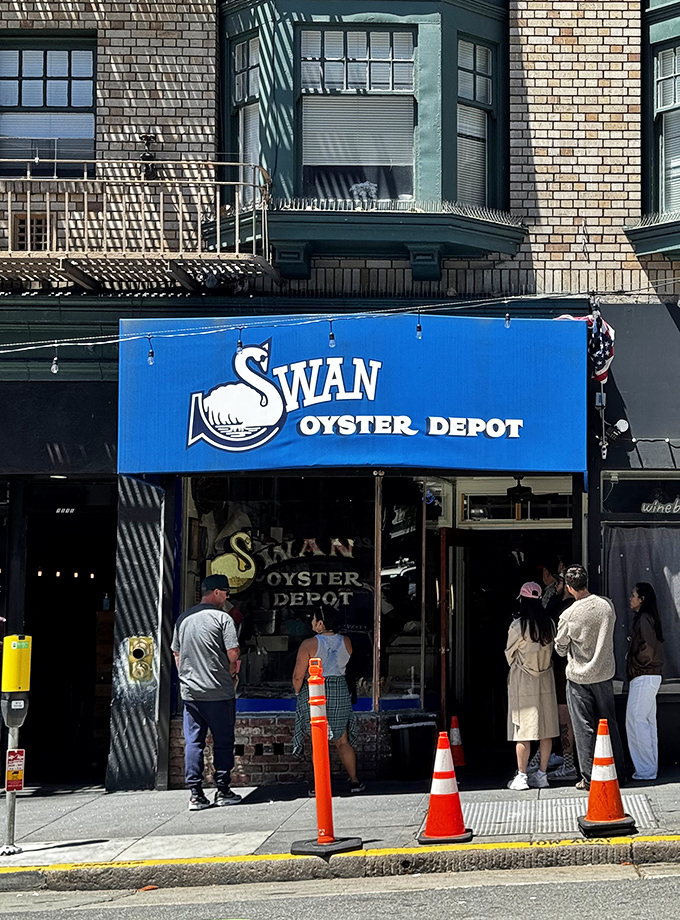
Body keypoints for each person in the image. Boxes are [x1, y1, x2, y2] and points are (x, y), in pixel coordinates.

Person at [172, 574, 242, 810]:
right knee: (223, 741)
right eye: (226, 593)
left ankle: (195, 794)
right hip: (218, 691)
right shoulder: (223, 619)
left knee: (194, 742)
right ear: (216, 593)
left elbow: (176, 654)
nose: (227, 597)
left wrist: (186, 677)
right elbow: (233, 653)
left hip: (191, 693)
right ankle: (222, 790)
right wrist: (231, 673)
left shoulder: (184, 618)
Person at [555, 564, 625, 789]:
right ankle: (619, 773)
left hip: (578, 677)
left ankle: (589, 777)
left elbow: (561, 648)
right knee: (609, 723)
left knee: (583, 727)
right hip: (604, 673)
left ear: (568, 587)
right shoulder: (606, 606)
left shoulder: (568, 615)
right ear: (586, 582)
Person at [292, 605, 365, 794]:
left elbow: (298, 675)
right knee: (342, 740)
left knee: (319, 740)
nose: (311, 623)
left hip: (317, 690)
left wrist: (298, 693)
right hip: (340, 688)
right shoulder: (346, 641)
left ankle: (321, 785)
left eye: (314, 619)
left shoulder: (309, 644)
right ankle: (355, 781)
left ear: (321, 623)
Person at [505, 581, 559, 791]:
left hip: (523, 680)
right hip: (546, 678)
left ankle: (522, 775)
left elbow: (509, 654)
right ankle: (543, 774)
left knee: (523, 729)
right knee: (547, 728)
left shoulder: (518, 626)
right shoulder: (550, 625)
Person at [626, 582, 664, 781]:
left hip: (643, 675)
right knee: (647, 722)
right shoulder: (649, 619)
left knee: (636, 722)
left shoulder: (643, 620)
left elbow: (647, 649)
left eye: (634, 595)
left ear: (642, 599)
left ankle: (645, 770)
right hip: (651, 675)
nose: (630, 598)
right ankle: (649, 768)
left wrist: (636, 664)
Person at [546, 573, 577, 780]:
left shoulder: (561, 608)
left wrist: (555, 595)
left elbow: (547, 614)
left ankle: (568, 762)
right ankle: (561, 756)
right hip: (575, 666)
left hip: (561, 668)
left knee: (563, 715)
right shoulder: (579, 606)